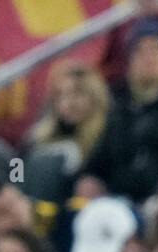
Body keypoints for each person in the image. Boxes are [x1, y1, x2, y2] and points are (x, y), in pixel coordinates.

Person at [77, 17, 158, 203]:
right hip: (119, 200)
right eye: (140, 51)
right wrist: (89, 177)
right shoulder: (121, 104)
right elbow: (101, 156)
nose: (149, 57)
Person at [20, 61, 111, 204]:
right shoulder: (40, 133)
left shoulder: (108, 133)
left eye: (77, 94)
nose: (68, 103)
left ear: (95, 97)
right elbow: (18, 161)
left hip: (68, 208)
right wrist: (15, 181)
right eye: (61, 95)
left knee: (52, 160)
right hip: (24, 195)